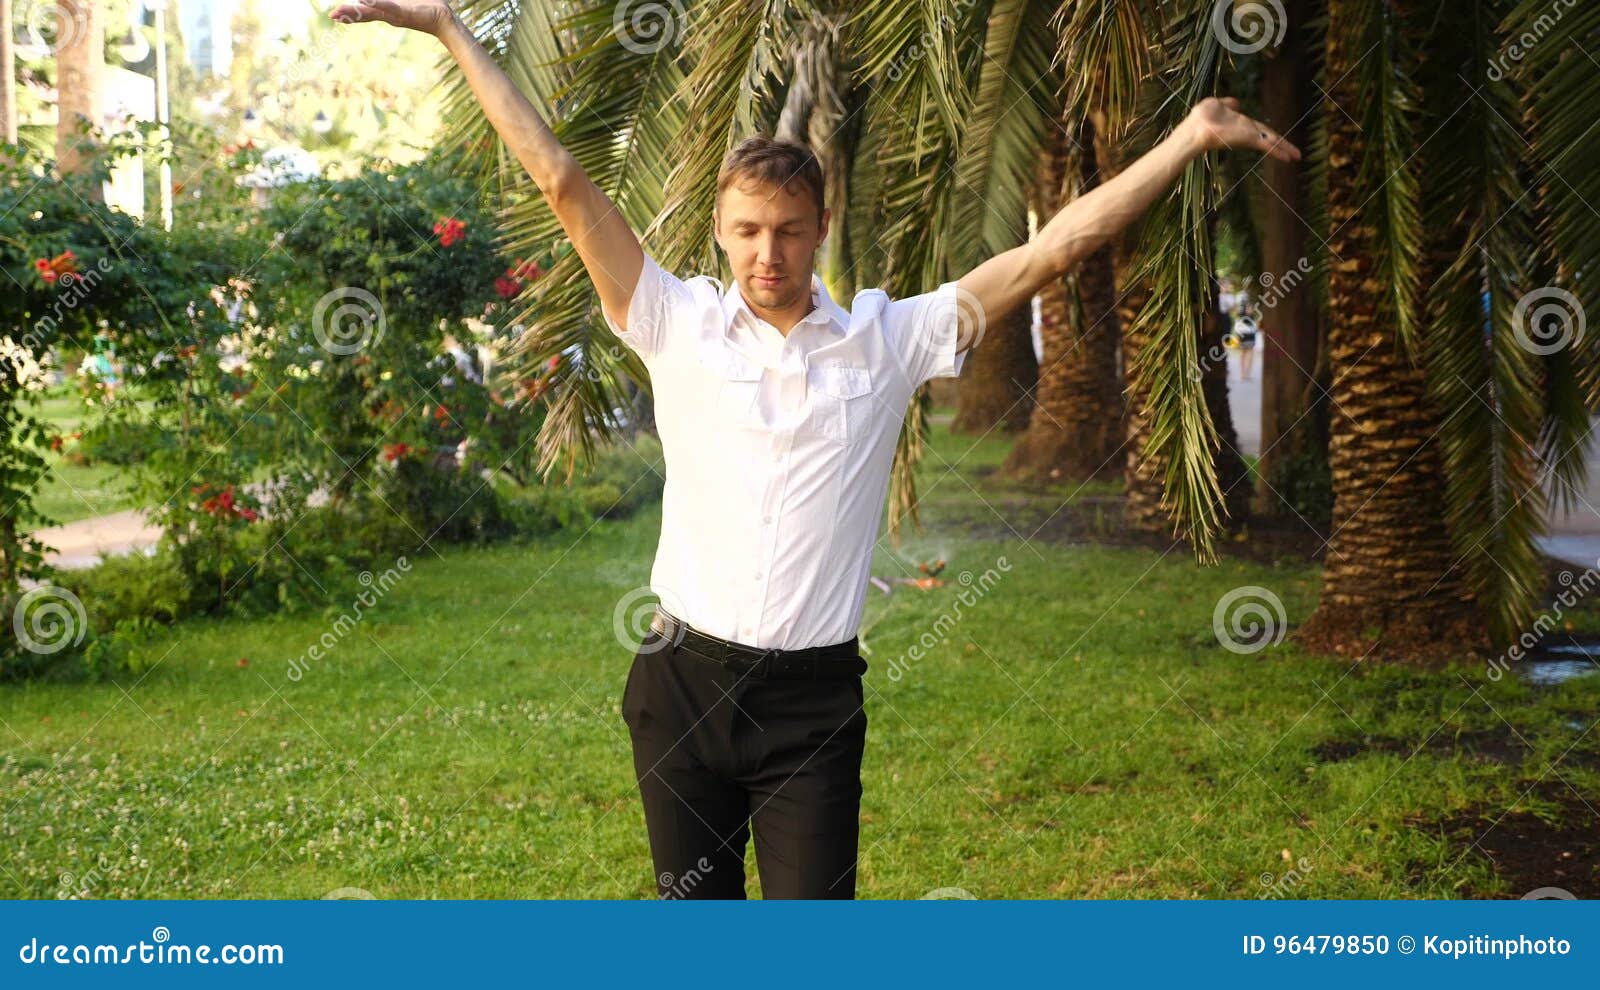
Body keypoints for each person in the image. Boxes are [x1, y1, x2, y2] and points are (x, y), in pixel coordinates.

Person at [331, 0, 1301, 899]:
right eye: (747, 230)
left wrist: (1187, 136)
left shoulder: (891, 338)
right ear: (718, 229)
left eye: (788, 231)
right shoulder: (670, 320)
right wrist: (452, 29)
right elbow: (561, 178)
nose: (767, 254)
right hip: (678, 686)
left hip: (811, 705)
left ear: (821, 229)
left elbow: (1050, 252)